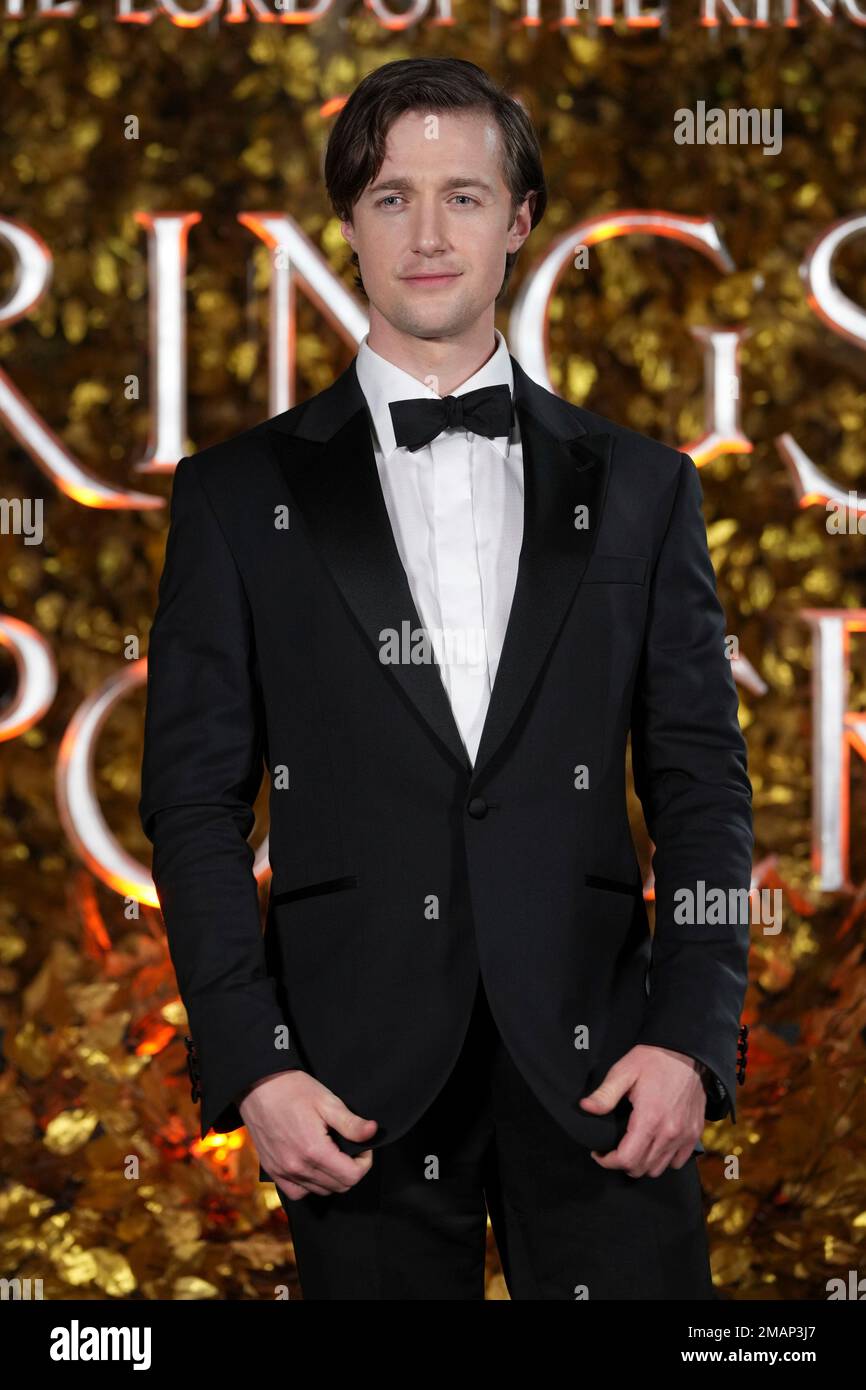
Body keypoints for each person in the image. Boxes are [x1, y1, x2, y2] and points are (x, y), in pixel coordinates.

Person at [139, 56, 753, 1300]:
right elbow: (192, 801)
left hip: (605, 1069)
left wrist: (689, 1038)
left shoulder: (641, 487)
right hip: (344, 1086)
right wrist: (254, 1063)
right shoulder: (233, 494)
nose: (427, 234)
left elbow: (701, 788)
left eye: (463, 197)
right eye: (389, 198)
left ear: (520, 220)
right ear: (348, 225)